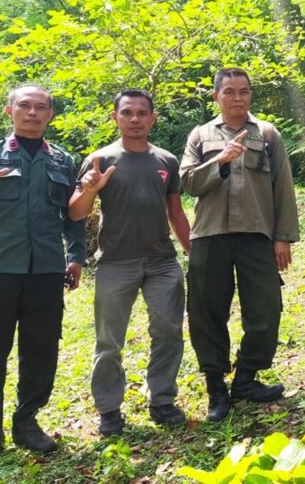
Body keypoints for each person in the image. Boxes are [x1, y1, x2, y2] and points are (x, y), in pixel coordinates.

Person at [0, 84, 86, 467]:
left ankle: (27, 422)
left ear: (50, 115)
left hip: (46, 269)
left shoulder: (62, 161)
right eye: (25, 105)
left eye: (41, 107)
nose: (33, 112)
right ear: (10, 111)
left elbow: (74, 214)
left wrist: (76, 255)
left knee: (41, 350)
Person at [68, 89, 192, 436]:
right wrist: (90, 188)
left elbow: (175, 211)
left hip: (162, 260)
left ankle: (163, 400)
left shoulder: (166, 160)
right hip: (115, 262)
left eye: (142, 113)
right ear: (115, 117)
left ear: (153, 118)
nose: (135, 119)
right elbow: (77, 212)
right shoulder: (100, 160)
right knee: (109, 341)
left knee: (169, 332)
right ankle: (109, 410)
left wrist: (193, 250)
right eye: (127, 113)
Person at [180, 68, 300, 422]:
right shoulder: (201, 135)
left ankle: (246, 378)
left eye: (244, 91)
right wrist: (221, 160)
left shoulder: (267, 134)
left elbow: (283, 187)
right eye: (229, 92)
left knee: (266, 309)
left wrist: (283, 237)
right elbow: (188, 182)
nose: (238, 98)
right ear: (216, 96)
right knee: (206, 311)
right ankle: (216, 388)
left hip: (256, 235)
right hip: (210, 235)